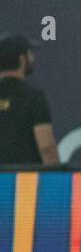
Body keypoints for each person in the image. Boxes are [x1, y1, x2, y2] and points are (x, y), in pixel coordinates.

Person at [0, 34, 59, 166]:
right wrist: (55, 180)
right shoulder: (33, 97)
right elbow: (47, 147)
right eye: (30, 53)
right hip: (23, 182)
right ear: (22, 59)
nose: (32, 58)